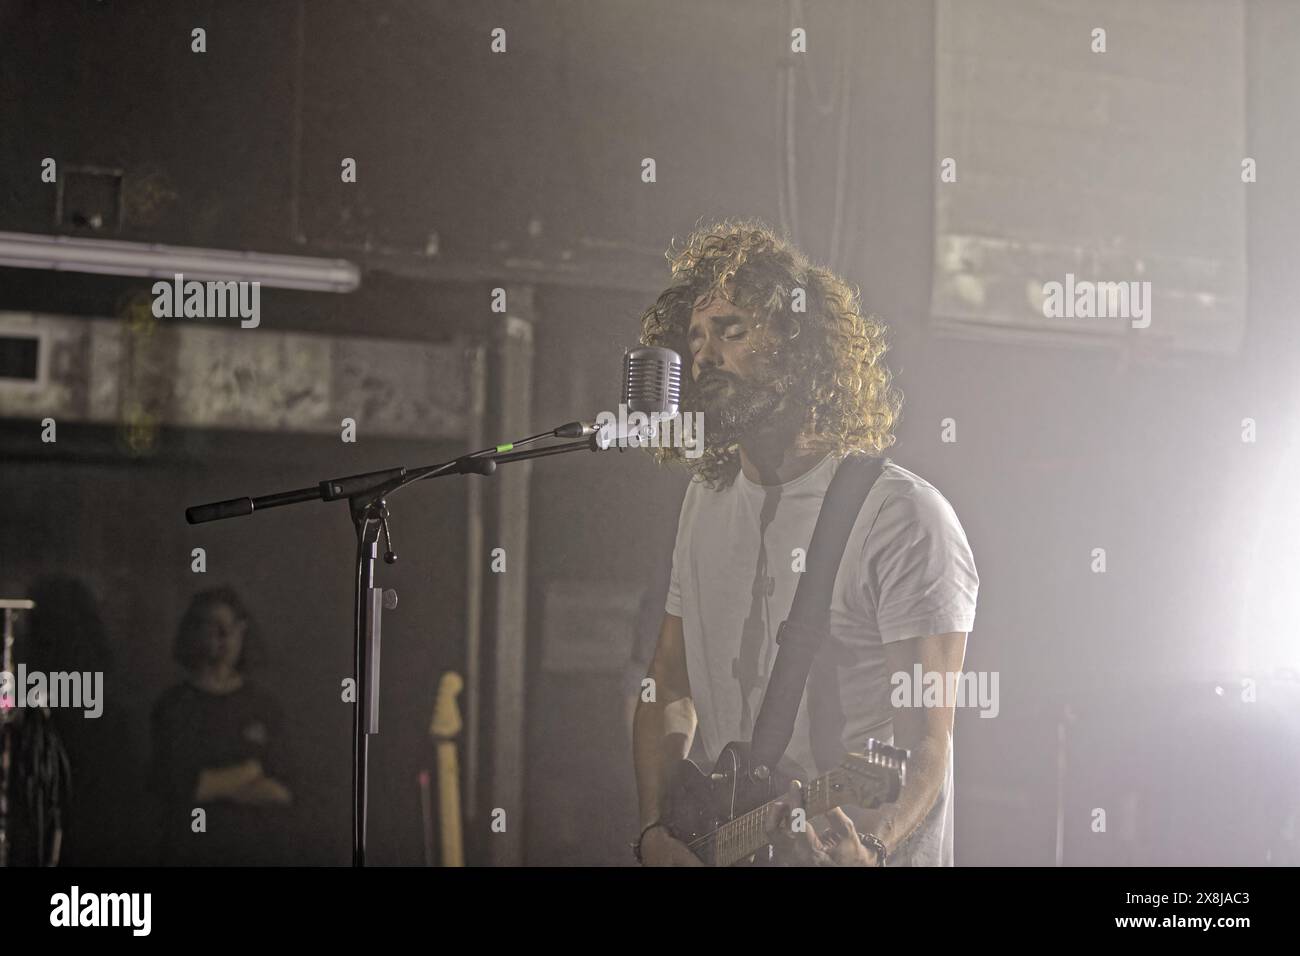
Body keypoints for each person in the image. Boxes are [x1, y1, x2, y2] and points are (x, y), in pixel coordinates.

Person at [632, 219, 979, 866]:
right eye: (696, 338)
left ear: (800, 347)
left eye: (732, 331)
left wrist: (871, 845)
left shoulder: (900, 517)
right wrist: (654, 831)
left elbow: (927, 746)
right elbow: (666, 683)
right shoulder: (704, 501)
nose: (705, 355)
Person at [149, 587, 293, 865]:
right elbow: (180, 787)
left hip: (255, 855)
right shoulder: (174, 707)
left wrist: (216, 785)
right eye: (214, 627)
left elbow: (284, 790)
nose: (226, 637)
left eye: (234, 627)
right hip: (191, 854)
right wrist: (253, 770)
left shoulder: (264, 706)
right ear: (194, 632)